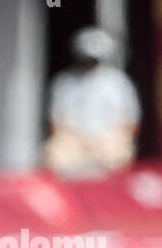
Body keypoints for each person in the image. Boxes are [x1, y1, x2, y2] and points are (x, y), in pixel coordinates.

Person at [45, 26, 140, 179]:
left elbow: (130, 122)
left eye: (92, 60)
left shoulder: (117, 82)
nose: (88, 64)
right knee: (56, 152)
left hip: (106, 139)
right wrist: (82, 141)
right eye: (84, 59)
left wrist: (101, 142)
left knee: (118, 151)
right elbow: (56, 122)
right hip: (75, 138)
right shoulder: (64, 81)